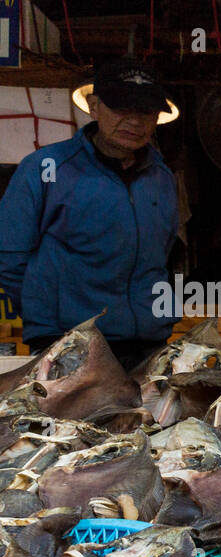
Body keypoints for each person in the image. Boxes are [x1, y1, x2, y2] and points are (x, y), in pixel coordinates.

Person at [0, 58, 180, 371]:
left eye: (146, 112)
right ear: (93, 106)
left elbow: (160, 257)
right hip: (69, 346)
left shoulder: (161, 176)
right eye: (122, 108)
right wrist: (48, 320)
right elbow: (10, 257)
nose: (135, 122)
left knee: (144, 421)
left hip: (148, 347)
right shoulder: (46, 168)